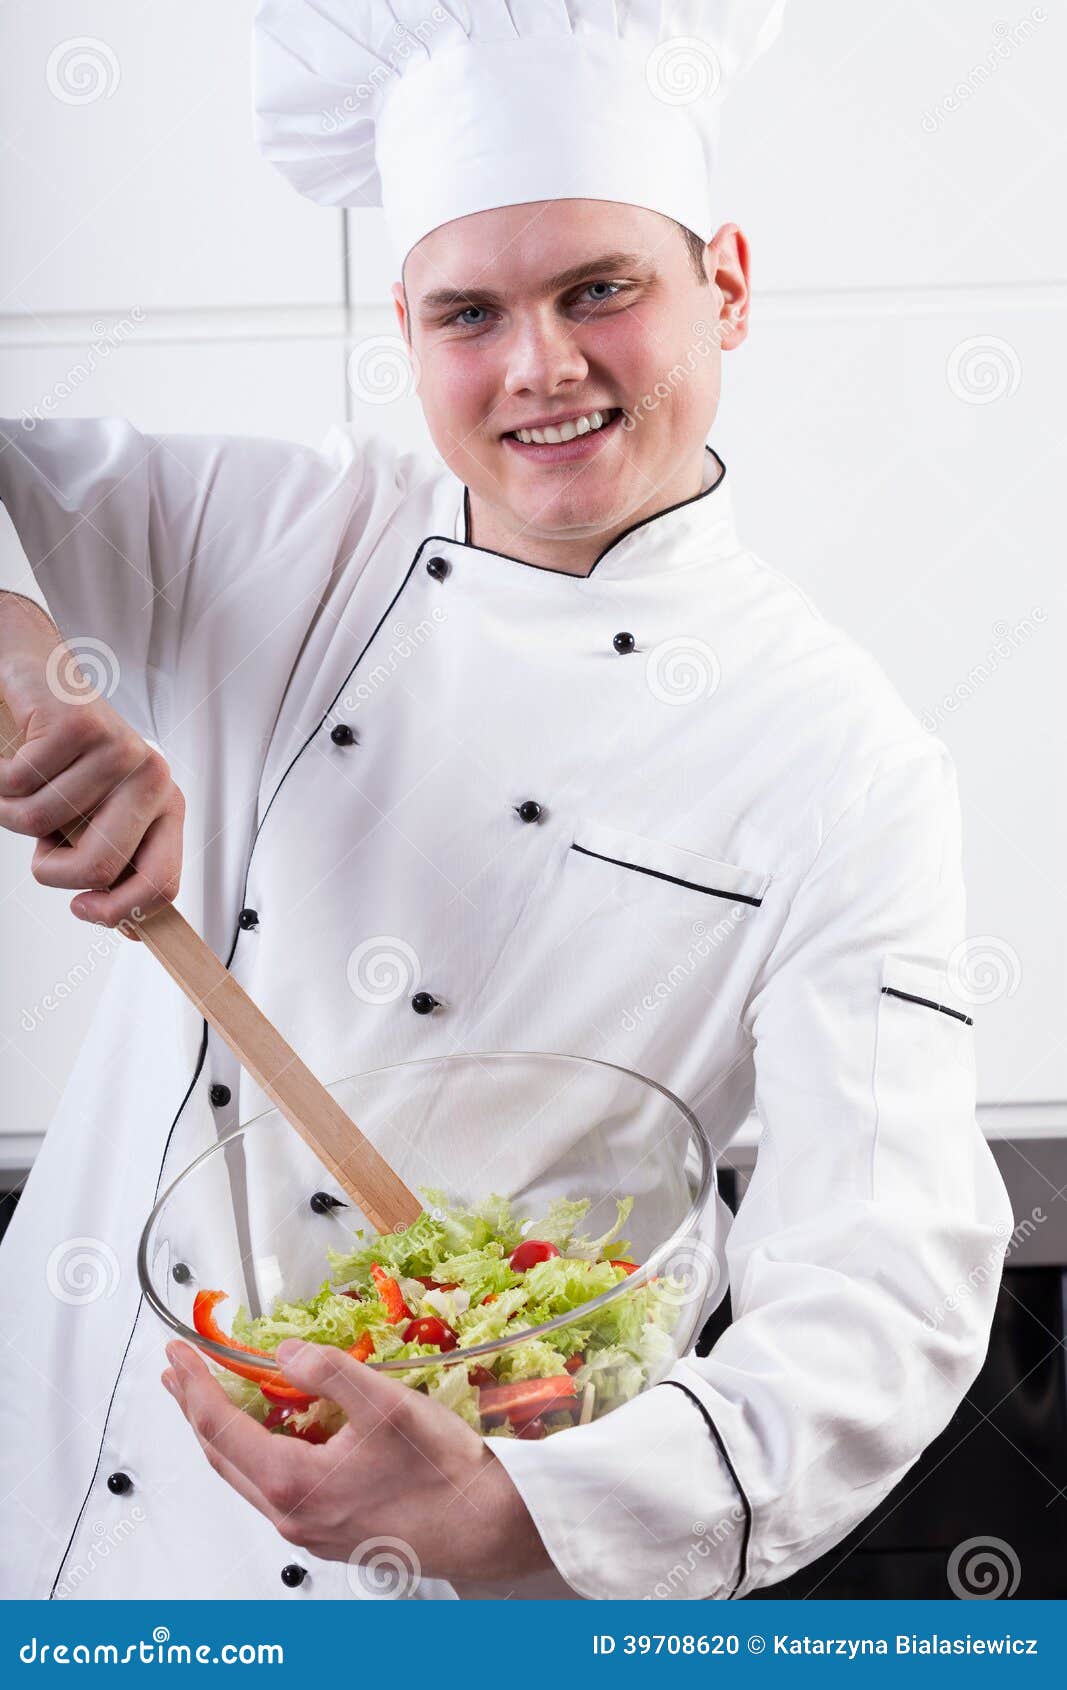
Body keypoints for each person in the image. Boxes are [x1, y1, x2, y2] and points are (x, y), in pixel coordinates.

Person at [0, 0, 1010, 1601]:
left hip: (420, 1575)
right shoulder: (262, 540)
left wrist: (532, 1514)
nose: (541, 365)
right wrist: (37, 680)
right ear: (403, 325)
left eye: (599, 288)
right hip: (36, 1475)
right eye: (471, 311)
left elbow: (883, 1276)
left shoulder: (845, 761)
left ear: (726, 284)